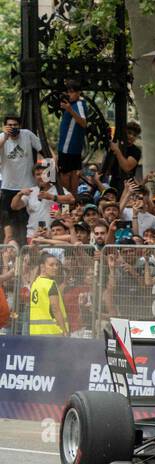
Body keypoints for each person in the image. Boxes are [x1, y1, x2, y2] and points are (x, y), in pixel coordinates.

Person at [1, 116, 43, 244]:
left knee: (24, 221)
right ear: (5, 126)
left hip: (27, 186)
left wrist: (52, 162)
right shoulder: (2, 137)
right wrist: (5, 137)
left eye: (15, 125)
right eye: (10, 125)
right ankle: (7, 254)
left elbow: (42, 148)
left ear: (19, 125)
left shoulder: (27, 134)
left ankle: (25, 250)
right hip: (8, 187)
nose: (13, 127)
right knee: (7, 223)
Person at [56, 83, 89, 195]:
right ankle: (71, 207)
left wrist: (70, 110)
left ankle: (67, 207)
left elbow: (84, 123)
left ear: (78, 92)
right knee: (71, 176)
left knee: (66, 178)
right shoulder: (72, 104)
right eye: (68, 92)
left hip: (68, 148)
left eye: (72, 92)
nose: (69, 94)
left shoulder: (78, 104)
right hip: (69, 147)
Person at [28, 253, 69, 335]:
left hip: (35, 331)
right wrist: (64, 331)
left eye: (56, 265)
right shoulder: (50, 284)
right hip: (51, 332)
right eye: (51, 265)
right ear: (42, 267)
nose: (55, 268)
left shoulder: (35, 283)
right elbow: (55, 308)